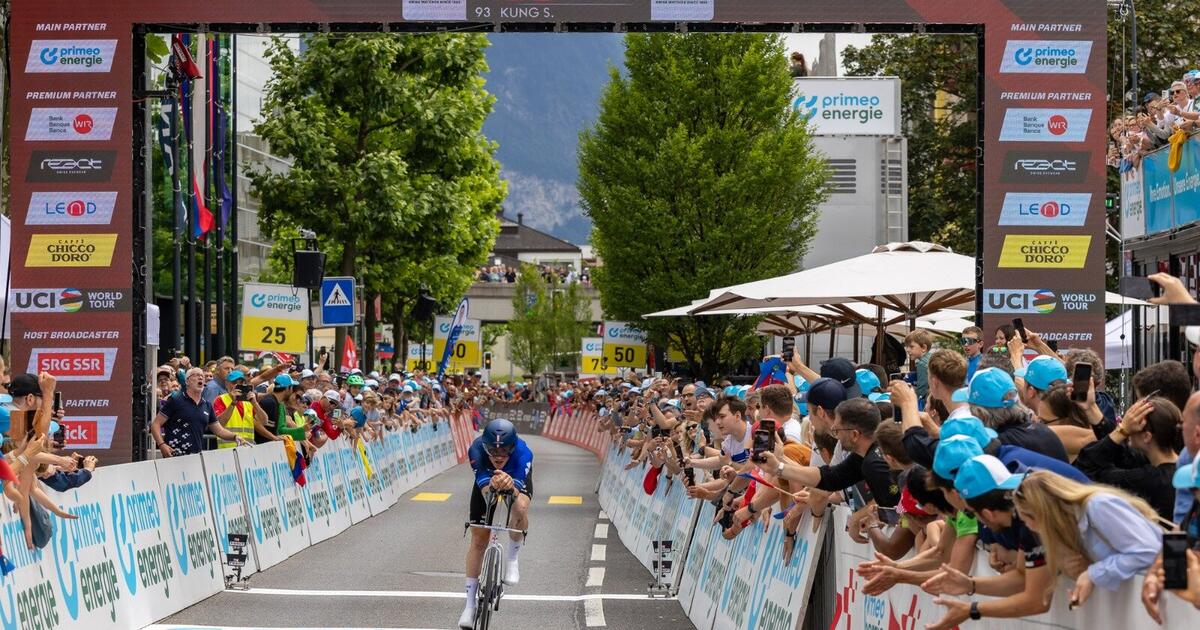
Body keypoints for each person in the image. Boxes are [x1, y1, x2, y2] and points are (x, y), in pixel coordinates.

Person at [460, 419, 533, 629]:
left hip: (515, 481)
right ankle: (469, 605)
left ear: (513, 446)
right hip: (487, 482)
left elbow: (518, 503)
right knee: (478, 539)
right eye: (493, 451)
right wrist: (493, 485)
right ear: (485, 447)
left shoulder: (523, 454)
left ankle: (512, 558)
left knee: (519, 510)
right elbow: (485, 493)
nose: (499, 456)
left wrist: (511, 488)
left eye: (504, 451)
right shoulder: (476, 450)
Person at [763, 397, 900, 509]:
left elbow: (894, 506)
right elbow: (831, 477)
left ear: (854, 435)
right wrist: (779, 466)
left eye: (836, 431)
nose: (836, 437)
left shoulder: (875, 463)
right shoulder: (863, 455)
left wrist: (860, 518)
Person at [1074, 396, 1180, 521]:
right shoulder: (1183, 464)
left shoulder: (1149, 480)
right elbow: (1121, 453)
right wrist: (1091, 407)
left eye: (1132, 427)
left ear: (1147, 437)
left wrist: (1122, 431)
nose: (1125, 429)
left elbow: (1086, 468)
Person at [152, 368, 251, 456]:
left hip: (196, 458)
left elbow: (219, 430)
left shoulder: (207, 405)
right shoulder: (176, 400)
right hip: (173, 456)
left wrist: (235, 437)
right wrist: (162, 445)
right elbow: (155, 424)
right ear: (187, 381)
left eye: (202, 376)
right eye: (196, 375)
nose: (200, 377)